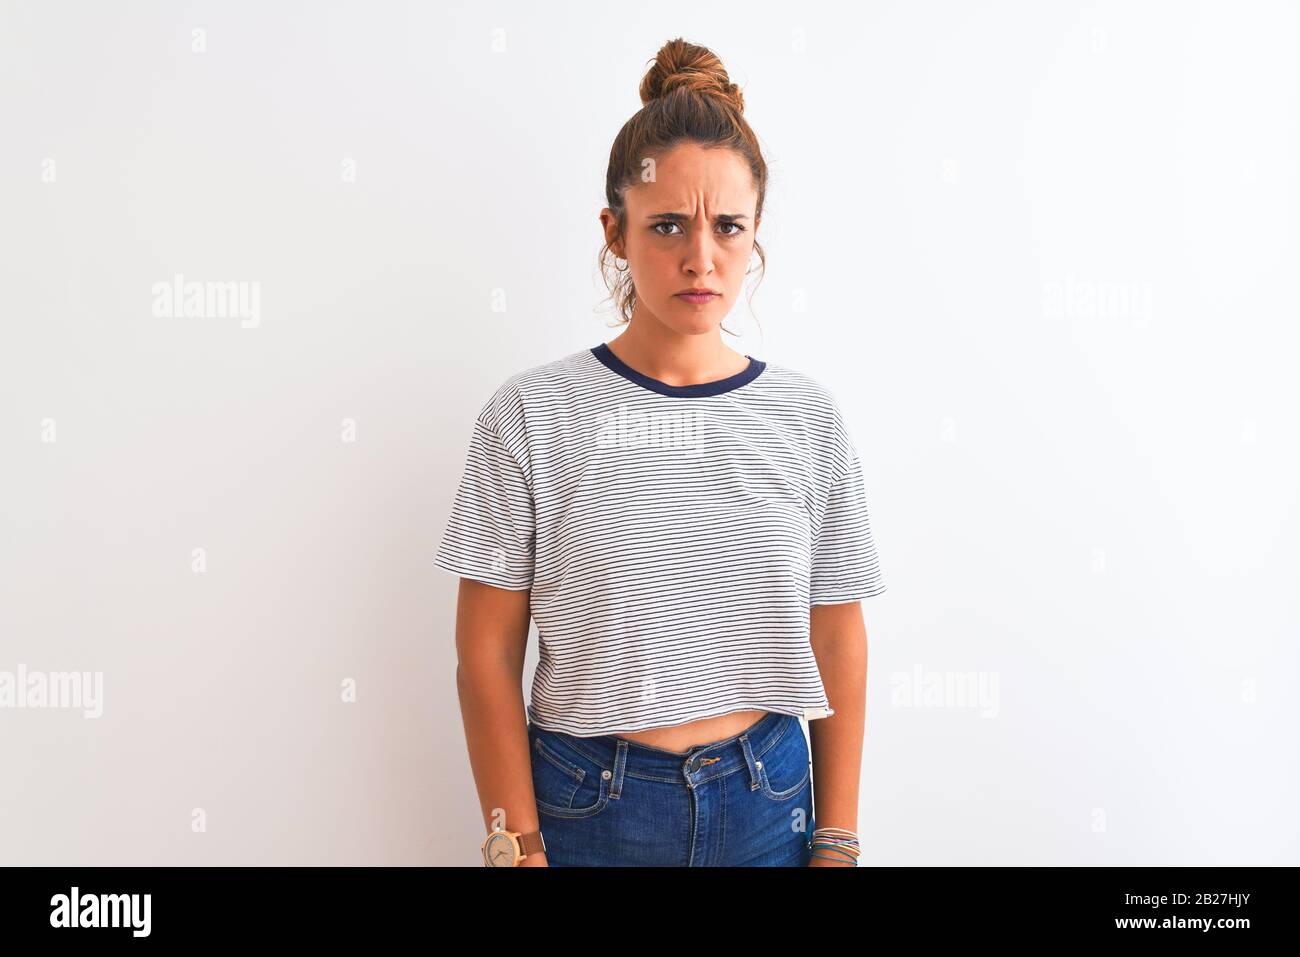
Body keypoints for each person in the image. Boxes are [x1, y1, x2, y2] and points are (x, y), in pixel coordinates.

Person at [436, 37, 884, 867]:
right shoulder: (531, 414)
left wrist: (839, 839)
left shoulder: (806, 418)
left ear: (756, 235)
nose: (700, 258)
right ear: (615, 229)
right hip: (588, 805)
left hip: (770, 801)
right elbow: (485, 651)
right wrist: (515, 842)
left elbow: (838, 636)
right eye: (668, 224)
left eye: (728, 227)